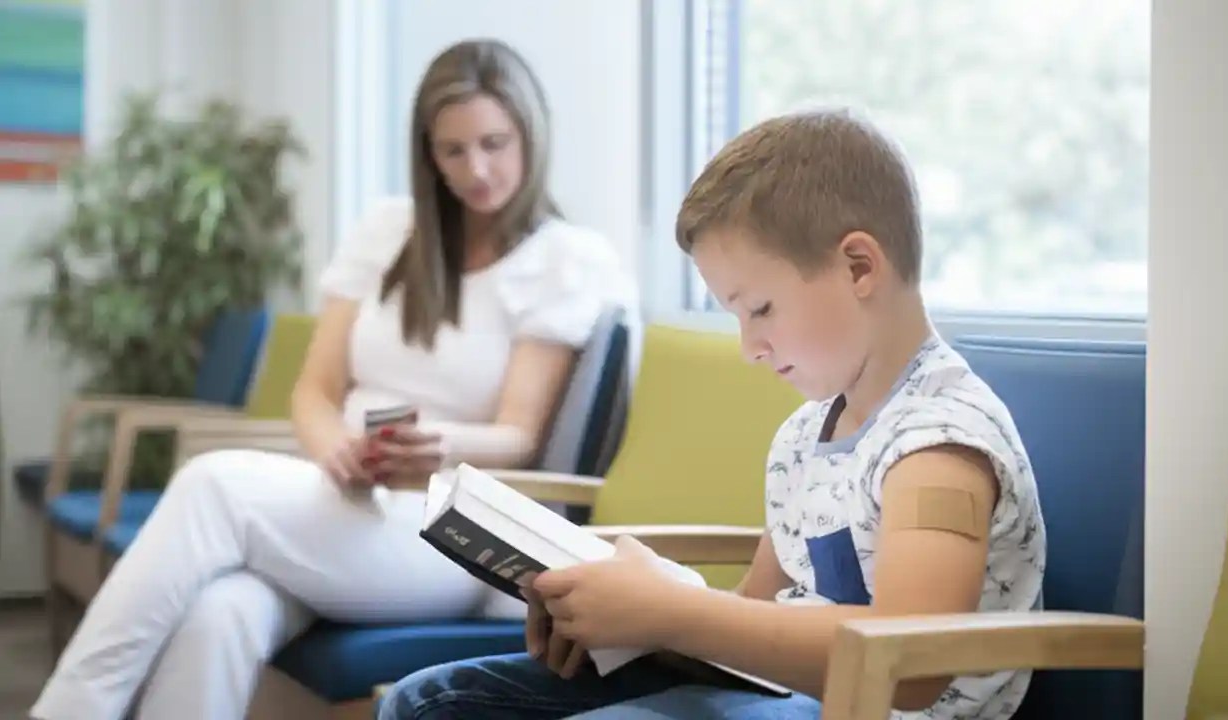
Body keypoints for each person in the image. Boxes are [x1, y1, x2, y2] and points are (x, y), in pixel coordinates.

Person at [31, 38, 632, 720]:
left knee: (210, 483)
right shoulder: (386, 231)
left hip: (449, 530)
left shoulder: (565, 258)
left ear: (532, 133)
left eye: (496, 143)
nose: (477, 169)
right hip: (341, 500)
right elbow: (314, 393)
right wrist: (333, 449)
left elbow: (518, 436)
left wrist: (435, 444)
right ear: (426, 153)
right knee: (222, 611)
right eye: (453, 151)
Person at [377, 110, 1048, 720]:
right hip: (781, 695)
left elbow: (911, 665)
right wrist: (623, 622)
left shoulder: (938, 445)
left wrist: (676, 611)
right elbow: (749, 624)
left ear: (858, 266)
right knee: (434, 704)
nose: (749, 347)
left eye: (759, 309)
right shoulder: (802, 439)